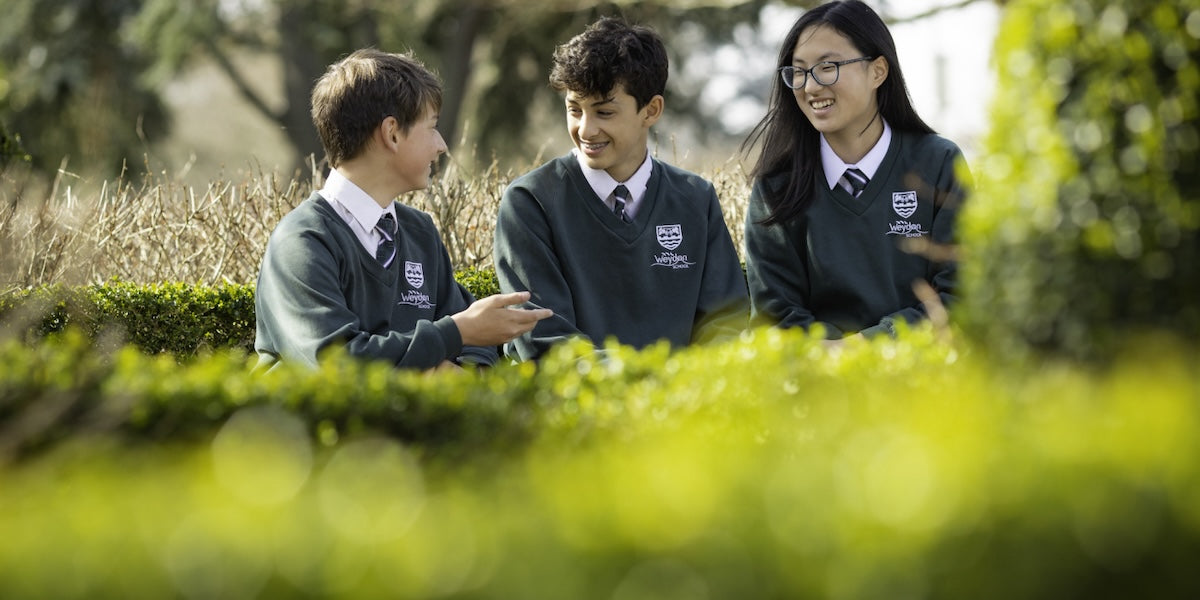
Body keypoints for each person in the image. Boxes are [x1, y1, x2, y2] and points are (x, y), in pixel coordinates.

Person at [254, 48, 551, 371]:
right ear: (392, 133)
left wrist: (463, 374)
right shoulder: (301, 241)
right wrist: (455, 334)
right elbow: (335, 363)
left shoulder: (419, 231)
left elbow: (478, 341)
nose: (441, 145)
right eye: (432, 127)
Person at [493, 17, 749, 361]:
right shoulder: (531, 202)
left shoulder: (695, 199)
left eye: (604, 112)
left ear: (651, 110)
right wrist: (649, 380)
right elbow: (545, 340)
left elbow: (726, 323)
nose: (586, 129)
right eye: (574, 109)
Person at [742, 0, 969, 341]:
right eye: (799, 71)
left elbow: (958, 295)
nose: (810, 86)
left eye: (828, 66)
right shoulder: (777, 186)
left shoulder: (938, 163)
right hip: (818, 382)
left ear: (877, 71)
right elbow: (775, 315)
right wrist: (836, 356)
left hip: (927, 379)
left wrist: (867, 346)